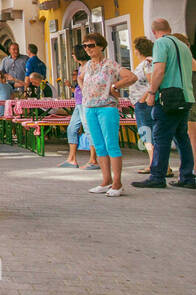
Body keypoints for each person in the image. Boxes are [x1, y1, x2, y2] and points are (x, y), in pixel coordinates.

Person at [133, 18, 195, 190]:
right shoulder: (182, 45)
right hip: (185, 95)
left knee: (160, 136)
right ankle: (187, 176)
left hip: (169, 97)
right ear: (169, 27)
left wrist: (152, 92)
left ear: (154, 33)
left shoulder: (161, 43)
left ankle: (157, 176)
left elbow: (159, 70)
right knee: (182, 137)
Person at [78, 32, 135, 196]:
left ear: (101, 46)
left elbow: (131, 77)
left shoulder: (110, 65)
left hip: (107, 107)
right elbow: (80, 78)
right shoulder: (88, 65)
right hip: (90, 108)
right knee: (99, 145)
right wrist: (85, 91)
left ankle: (117, 183)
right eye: (85, 46)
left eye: (91, 45)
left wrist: (114, 87)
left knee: (111, 144)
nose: (88, 49)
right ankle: (105, 180)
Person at [131, 37, 160, 176]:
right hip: (143, 102)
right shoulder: (148, 62)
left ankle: (155, 164)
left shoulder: (147, 62)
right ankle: (157, 164)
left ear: (138, 50)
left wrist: (143, 98)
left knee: (146, 133)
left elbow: (151, 81)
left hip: (144, 104)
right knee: (149, 133)